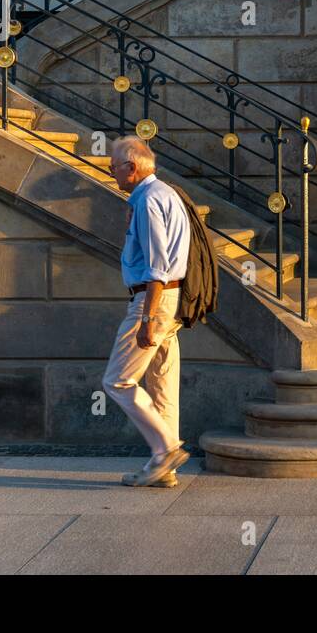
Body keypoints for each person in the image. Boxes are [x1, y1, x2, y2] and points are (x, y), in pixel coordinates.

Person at [102, 135, 191, 487]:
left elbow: (157, 266)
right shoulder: (166, 193)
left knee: (117, 380)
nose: (112, 174)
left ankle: (166, 448)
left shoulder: (148, 201)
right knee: (161, 383)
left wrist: (145, 318)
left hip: (152, 300)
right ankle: (163, 468)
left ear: (132, 167)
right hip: (171, 299)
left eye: (114, 168)